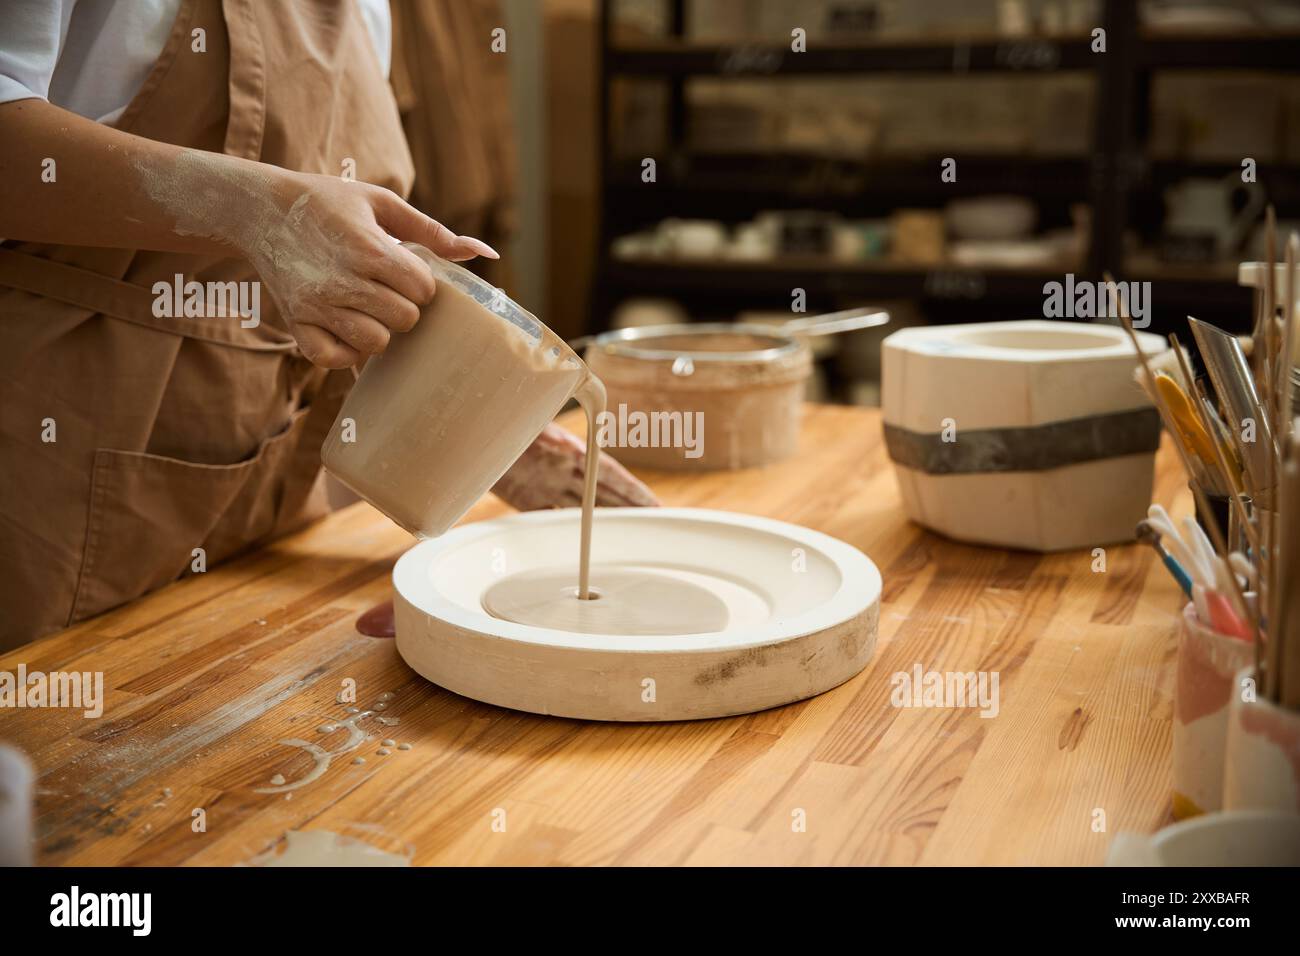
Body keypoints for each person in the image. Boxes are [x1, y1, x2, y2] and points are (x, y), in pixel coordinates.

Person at [0, 0, 653, 651]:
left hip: (267, 515)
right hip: (55, 488)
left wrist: (465, 413)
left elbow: (342, 271)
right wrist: (255, 211)